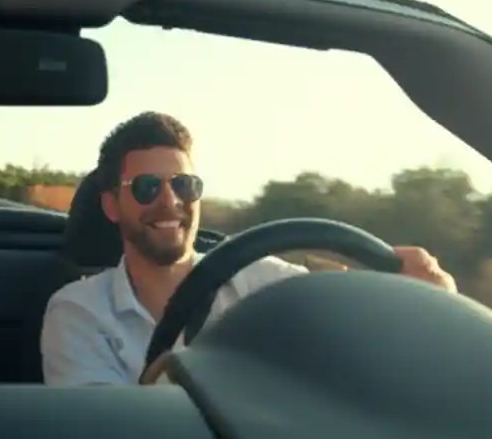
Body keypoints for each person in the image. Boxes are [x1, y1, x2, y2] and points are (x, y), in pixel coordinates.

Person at [40, 111, 458, 387]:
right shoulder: (78, 312)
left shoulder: (261, 280)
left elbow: (348, 321)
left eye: (184, 185)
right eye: (148, 187)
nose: (170, 202)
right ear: (112, 205)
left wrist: (424, 301)